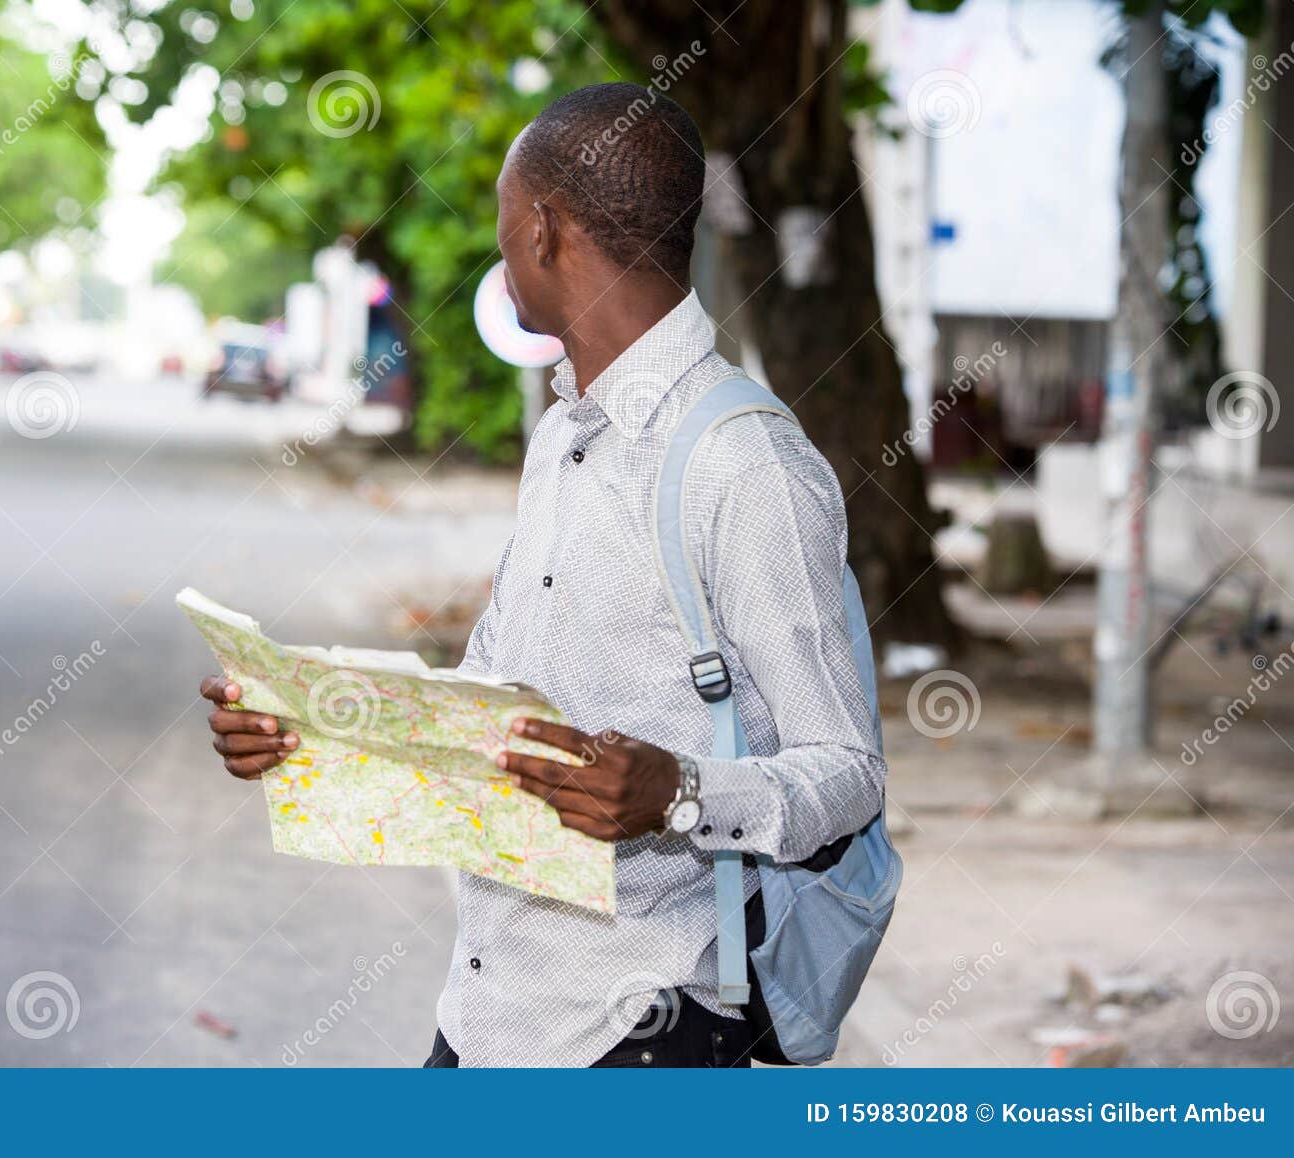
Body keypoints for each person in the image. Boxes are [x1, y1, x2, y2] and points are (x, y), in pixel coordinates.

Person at [199, 82, 885, 1068]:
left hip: (640, 1033)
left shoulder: (747, 466)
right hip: (488, 1011)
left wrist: (682, 792)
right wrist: (310, 729)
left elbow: (849, 772)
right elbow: (493, 710)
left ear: (542, 229)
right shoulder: (564, 435)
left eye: (502, 219)